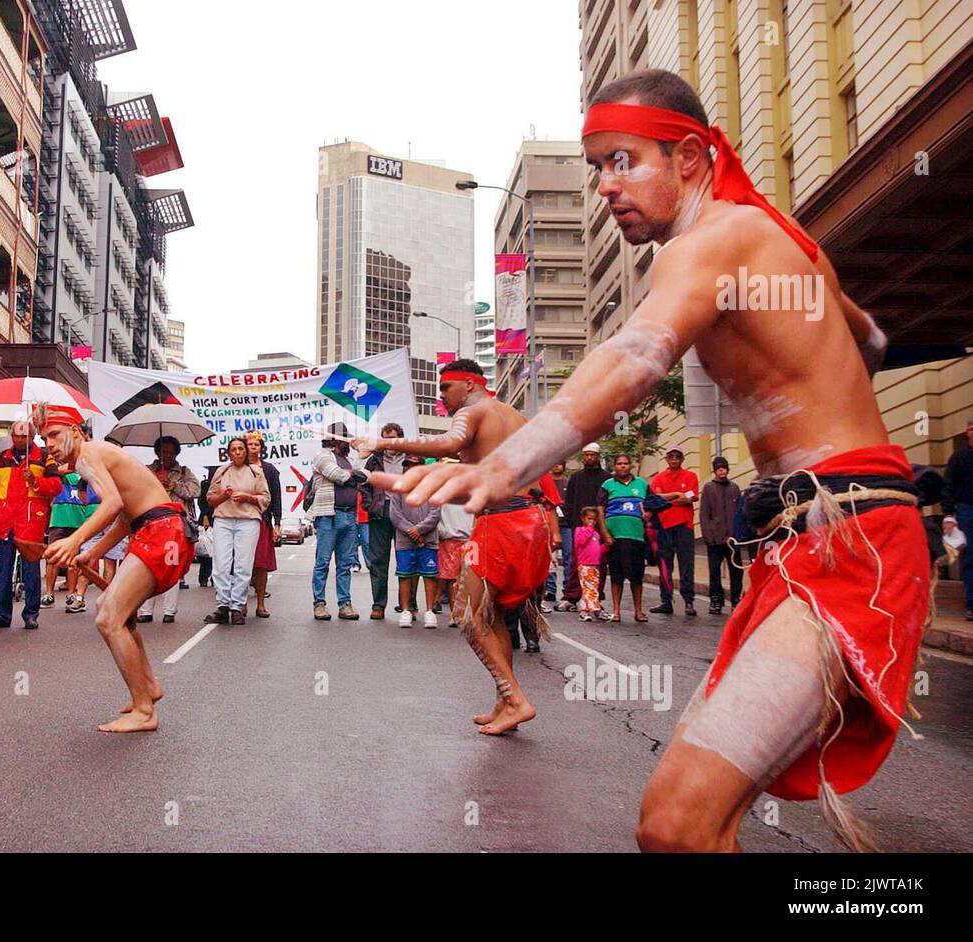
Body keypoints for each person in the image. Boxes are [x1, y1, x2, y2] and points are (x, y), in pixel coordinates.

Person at [383, 69, 928, 851]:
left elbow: (634, 355)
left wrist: (506, 468)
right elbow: (868, 337)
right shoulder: (782, 245)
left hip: (849, 541)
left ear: (691, 158)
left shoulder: (714, 241)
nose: (606, 185)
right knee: (696, 824)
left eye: (623, 160)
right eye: (597, 166)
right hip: (820, 535)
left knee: (677, 826)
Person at [358, 359, 561, 735]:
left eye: (445, 390)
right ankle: (505, 701)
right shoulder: (511, 415)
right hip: (529, 520)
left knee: (467, 614)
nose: (441, 398)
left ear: (468, 384)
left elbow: (448, 442)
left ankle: (515, 699)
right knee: (493, 615)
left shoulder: (473, 410)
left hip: (501, 522)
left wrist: (383, 442)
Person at [39, 404, 195, 733]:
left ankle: (143, 711)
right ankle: (149, 687)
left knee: (109, 617)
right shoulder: (97, 454)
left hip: (162, 531)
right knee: (112, 611)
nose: (49, 444)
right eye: (44, 439)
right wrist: (91, 552)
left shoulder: (88, 454)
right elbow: (126, 517)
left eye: (54, 435)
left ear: (76, 433)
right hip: (157, 529)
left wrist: (75, 541)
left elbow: (113, 505)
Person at [0, 421, 61, 630]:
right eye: (17, 436)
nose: (21, 440)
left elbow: (56, 487)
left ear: (33, 437)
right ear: (12, 436)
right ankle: (1, 614)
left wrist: (36, 482)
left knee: (31, 569)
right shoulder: (0, 459)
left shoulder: (44, 458)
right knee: (3, 568)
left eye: (26, 436)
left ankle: (31, 614)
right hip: (5, 520)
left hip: (31, 520)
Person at [205, 437, 270, 625]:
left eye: (241, 448)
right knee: (221, 565)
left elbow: (265, 499)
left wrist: (248, 497)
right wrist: (224, 495)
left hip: (248, 521)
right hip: (223, 519)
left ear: (246, 451)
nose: (238, 452)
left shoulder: (255, 471)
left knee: (243, 565)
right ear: (228, 453)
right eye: (234, 449)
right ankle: (223, 605)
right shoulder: (221, 471)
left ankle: (238, 606)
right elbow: (210, 500)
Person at [310, 423, 368, 621]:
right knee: (323, 562)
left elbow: (365, 476)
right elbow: (338, 476)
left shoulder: (349, 460)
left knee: (345, 564)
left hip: (350, 516)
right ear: (334, 439)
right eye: (344, 438)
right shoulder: (322, 456)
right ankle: (319, 604)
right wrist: (353, 476)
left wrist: (353, 475)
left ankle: (345, 604)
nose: (348, 441)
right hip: (328, 515)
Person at [140, 436, 201, 623]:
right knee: (146, 568)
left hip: (174, 526)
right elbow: (135, 490)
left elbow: (195, 492)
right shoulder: (146, 471)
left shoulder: (184, 472)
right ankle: (144, 611)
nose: (166, 455)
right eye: (162, 451)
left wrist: (174, 485)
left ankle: (169, 611)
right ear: (157, 452)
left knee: (171, 567)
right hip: (149, 524)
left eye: (170, 452)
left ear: (176, 454)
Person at [361, 422, 408, 619]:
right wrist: (369, 504)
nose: (389, 442)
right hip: (380, 512)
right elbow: (363, 483)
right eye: (385, 438)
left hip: (405, 513)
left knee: (405, 559)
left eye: (393, 437)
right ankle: (378, 605)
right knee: (379, 560)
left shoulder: (412, 459)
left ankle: (407, 605)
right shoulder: (373, 460)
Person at [388, 456, 441, 628]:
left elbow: (435, 514)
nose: (411, 469)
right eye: (408, 466)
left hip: (428, 540)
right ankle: (405, 611)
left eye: (415, 465)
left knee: (429, 575)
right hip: (405, 540)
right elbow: (395, 514)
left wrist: (420, 530)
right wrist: (411, 530)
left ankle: (430, 611)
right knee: (404, 576)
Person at [559, 444, 612, 616]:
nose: (590, 458)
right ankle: (572, 597)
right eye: (587, 455)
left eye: (593, 455)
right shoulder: (575, 477)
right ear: (583, 457)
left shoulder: (607, 478)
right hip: (579, 528)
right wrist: (571, 522)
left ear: (598, 456)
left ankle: (595, 598)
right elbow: (569, 502)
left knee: (599, 564)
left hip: (600, 529)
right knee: (576, 563)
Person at [648, 445, 700, 616]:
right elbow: (655, 498)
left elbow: (691, 497)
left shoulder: (691, 476)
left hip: (684, 526)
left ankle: (689, 601)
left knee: (687, 565)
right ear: (667, 459)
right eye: (671, 456)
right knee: (665, 566)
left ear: (682, 459)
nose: (674, 459)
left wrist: (667, 499)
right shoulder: (658, 478)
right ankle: (666, 600)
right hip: (664, 527)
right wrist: (678, 495)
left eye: (678, 456)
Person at [599, 455, 649, 623]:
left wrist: (648, 513)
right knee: (616, 575)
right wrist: (605, 533)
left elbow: (653, 503)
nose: (622, 466)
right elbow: (600, 508)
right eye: (619, 464)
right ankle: (616, 610)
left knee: (637, 576)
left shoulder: (642, 484)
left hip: (636, 536)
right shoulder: (608, 485)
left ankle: (638, 611)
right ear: (614, 466)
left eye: (625, 463)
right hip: (615, 537)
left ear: (631, 466)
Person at [47, 469, 98, 614]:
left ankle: (72, 593)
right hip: (59, 519)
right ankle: (49, 594)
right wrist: (60, 472)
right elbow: (50, 480)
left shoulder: (86, 470)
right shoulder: (58, 470)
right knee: (52, 558)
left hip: (80, 519)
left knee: (74, 561)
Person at [699, 456, 743, 615]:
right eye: (718, 468)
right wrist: (708, 536)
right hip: (715, 538)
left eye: (723, 467)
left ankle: (736, 599)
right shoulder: (709, 488)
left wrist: (739, 535)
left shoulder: (735, 488)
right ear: (715, 470)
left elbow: (740, 513)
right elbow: (704, 514)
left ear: (727, 469)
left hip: (733, 539)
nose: (721, 470)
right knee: (715, 571)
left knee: (736, 571)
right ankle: (716, 600)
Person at [245, 432, 282, 617]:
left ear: (261, 448)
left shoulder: (270, 470)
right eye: (249, 444)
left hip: (263, 521)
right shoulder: (235, 468)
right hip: (242, 520)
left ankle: (260, 604)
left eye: (256, 444)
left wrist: (277, 523)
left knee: (261, 565)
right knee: (242, 564)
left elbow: (276, 497)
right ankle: (240, 604)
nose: (252, 447)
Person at [942, 418, 973, 620]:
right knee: (970, 557)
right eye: (971, 428)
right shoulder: (959, 458)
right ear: (967, 432)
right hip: (967, 509)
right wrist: (948, 515)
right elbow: (949, 486)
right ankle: (972, 603)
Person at [436, 482, 474, 629]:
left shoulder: (473, 491)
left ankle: (470, 613)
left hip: (472, 541)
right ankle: (456, 614)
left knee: (470, 578)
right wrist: (442, 533)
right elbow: (436, 515)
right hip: (449, 540)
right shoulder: (442, 493)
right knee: (452, 579)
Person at [543, 461, 571, 607]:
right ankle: (550, 589)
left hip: (566, 525)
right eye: (554, 463)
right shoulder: (543, 479)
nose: (556, 466)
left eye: (560, 463)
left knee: (569, 558)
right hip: (547, 524)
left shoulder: (569, 482)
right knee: (549, 559)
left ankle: (568, 590)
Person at [573, 508, 605, 622]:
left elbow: (596, 549)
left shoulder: (596, 534)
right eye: (589, 519)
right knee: (588, 588)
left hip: (595, 565)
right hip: (585, 565)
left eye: (594, 519)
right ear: (583, 518)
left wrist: (605, 547)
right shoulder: (580, 530)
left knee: (594, 588)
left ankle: (594, 609)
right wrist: (589, 529)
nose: (592, 521)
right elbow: (581, 542)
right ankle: (586, 610)